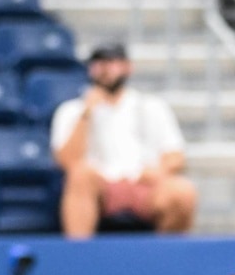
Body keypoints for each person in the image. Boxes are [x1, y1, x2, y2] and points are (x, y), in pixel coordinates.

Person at [49, 42, 198, 238]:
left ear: (128, 67)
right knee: (80, 176)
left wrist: (159, 171)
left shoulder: (152, 106)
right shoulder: (71, 110)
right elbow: (68, 161)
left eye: (112, 62)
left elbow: (176, 156)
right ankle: (79, 254)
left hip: (143, 184)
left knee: (182, 191)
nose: (105, 69)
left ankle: (169, 258)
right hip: (99, 185)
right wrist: (86, 114)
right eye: (99, 63)